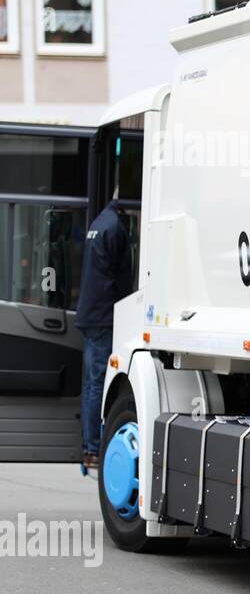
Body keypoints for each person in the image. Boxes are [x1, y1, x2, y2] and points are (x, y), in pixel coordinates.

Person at [75, 194, 134, 471]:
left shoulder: (99, 222)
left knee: (90, 384)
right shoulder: (116, 228)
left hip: (89, 313)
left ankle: (89, 447)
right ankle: (94, 447)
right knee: (98, 382)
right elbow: (121, 279)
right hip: (102, 316)